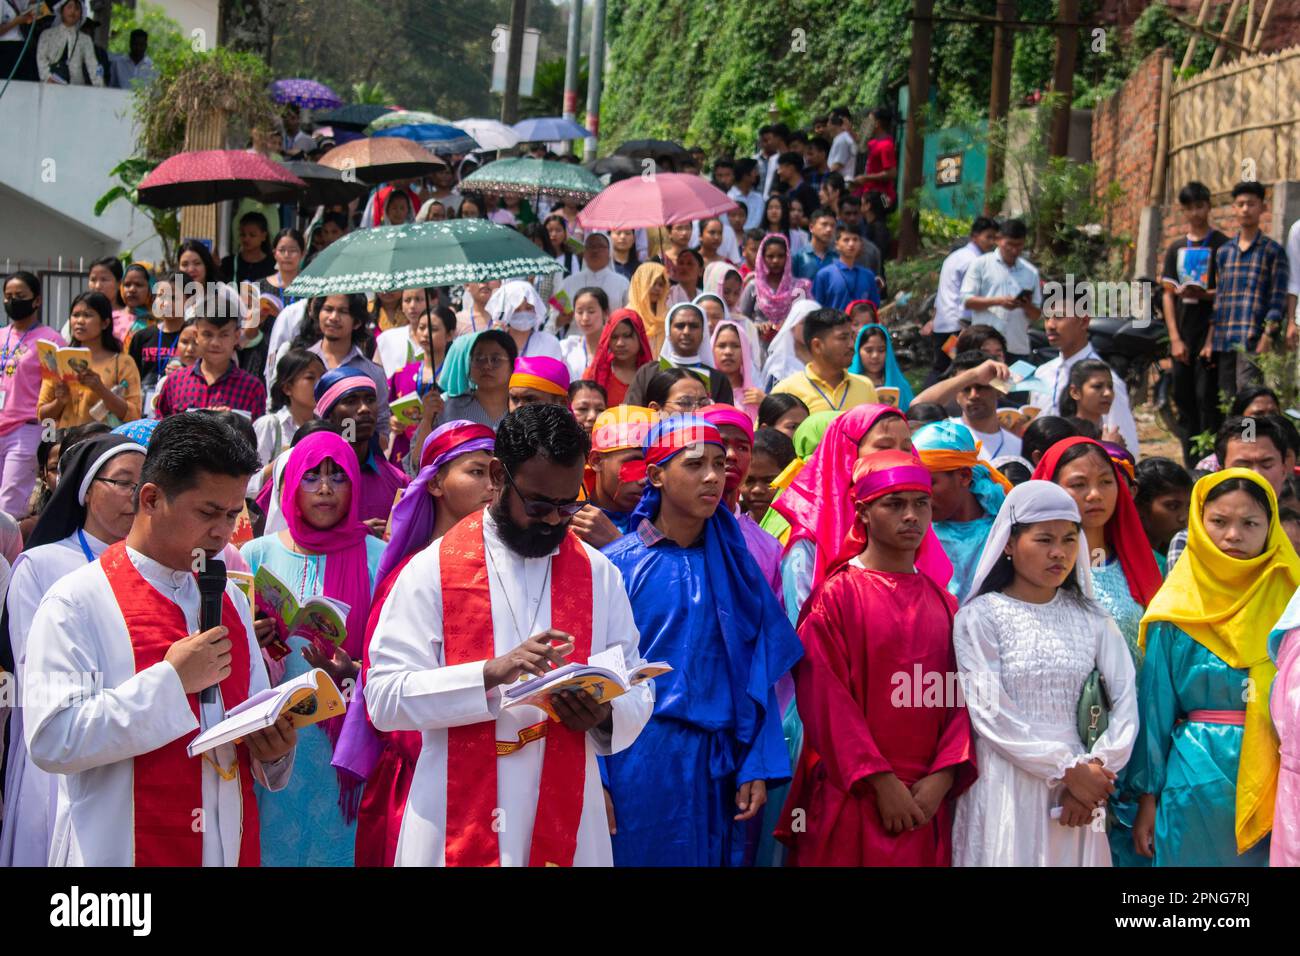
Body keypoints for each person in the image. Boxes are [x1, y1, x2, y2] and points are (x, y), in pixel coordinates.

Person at [365, 404, 652, 866]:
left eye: (568, 504)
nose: (556, 521)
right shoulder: (432, 570)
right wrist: (487, 674)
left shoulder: (598, 574)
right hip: (452, 816)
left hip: (568, 813)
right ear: (499, 476)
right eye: (539, 504)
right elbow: (382, 698)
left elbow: (637, 684)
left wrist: (602, 714)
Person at [22, 415, 298, 865]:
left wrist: (273, 751)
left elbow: (247, 719)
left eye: (232, 515)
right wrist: (171, 681)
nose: (223, 532)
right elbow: (53, 739)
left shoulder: (227, 594)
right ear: (150, 498)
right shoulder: (77, 601)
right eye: (208, 512)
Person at [601, 415, 803, 865]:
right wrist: (598, 777)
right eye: (694, 465)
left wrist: (754, 761)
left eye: (719, 463)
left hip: (720, 763)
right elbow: (594, 680)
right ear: (656, 475)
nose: (714, 476)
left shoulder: (739, 568)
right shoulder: (615, 567)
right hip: (639, 760)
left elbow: (758, 671)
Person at [776, 449, 976, 865]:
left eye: (921, 503)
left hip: (924, 803)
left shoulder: (945, 604)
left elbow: (961, 701)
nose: (911, 516)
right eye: (894, 504)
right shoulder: (835, 597)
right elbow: (827, 703)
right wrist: (882, 783)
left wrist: (942, 777)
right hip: (855, 795)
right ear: (863, 513)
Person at [333, 422, 496, 867]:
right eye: (477, 472)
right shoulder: (411, 574)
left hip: (489, 765)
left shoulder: (501, 570)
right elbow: (388, 694)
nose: (490, 486)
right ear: (437, 482)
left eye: (497, 474)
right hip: (422, 768)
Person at [951, 479, 1138, 866]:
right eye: (1044, 540)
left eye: (1070, 540)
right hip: (1008, 780)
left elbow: (1125, 700)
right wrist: (1065, 769)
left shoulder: (1095, 619)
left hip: (1082, 789)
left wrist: (1096, 772)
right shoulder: (979, 617)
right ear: (1008, 542)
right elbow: (990, 713)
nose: (1059, 553)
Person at [1131, 469, 1300, 866]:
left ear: (1271, 526)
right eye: (1219, 522)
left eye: (1250, 523)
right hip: (1193, 775)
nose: (1233, 535)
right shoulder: (1174, 608)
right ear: (1198, 523)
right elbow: (1154, 709)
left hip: (1281, 776)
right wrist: (1146, 798)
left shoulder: (1292, 599)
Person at [239, 432, 385, 866]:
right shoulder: (254, 554)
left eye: (338, 476)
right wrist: (257, 638)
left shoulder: (378, 556)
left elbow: (391, 656)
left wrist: (352, 668)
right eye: (311, 477)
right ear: (291, 487)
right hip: (274, 733)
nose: (324, 488)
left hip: (346, 738)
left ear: (355, 486)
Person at [0, 433, 147, 866]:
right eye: (122, 482)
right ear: (85, 489)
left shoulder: (157, 568)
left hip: (131, 739)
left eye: (145, 484)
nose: (134, 496)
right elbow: (36, 670)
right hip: (60, 743)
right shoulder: (41, 565)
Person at [1032, 435, 1165, 865]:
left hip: (1138, 736)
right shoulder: (1035, 574)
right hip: (1060, 749)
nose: (1094, 495)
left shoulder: (1150, 568)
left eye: (1106, 482)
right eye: (1078, 483)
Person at [771, 404, 945, 621]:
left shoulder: (914, 520)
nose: (899, 458)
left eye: (906, 448)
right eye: (884, 447)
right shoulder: (809, 544)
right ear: (849, 452)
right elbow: (806, 630)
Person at [1166, 414, 1295, 568]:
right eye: (1243, 466)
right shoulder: (1190, 543)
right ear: (1221, 472)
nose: (1256, 475)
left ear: (1284, 469)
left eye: (1266, 464)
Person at [1163, 182, 1229, 463]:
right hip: (1183, 333)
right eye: (1189, 208)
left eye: (1200, 206)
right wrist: (1174, 338)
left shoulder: (1222, 245)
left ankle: (1211, 459)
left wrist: (1206, 295)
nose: (1195, 213)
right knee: (1184, 398)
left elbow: (1228, 294)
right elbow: (1167, 294)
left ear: (1209, 206)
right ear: (1183, 211)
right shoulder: (1176, 247)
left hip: (1210, 333)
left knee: (1208, 399)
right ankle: (1190, 462)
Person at [913, 420, 1012, 604]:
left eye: (930, 482)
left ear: (964, 476)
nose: (920, 495)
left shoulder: (1005, 532)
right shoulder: (914, 533)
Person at [1208, 180, 1289, 400]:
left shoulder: (1272, 251)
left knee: (1250, 397)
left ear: (1263, 207)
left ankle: (1250, 435)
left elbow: (1278, 299)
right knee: (1226, 400)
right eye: (1241, 204)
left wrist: (1268, 335)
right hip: (1225, 339)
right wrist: (1210, 339)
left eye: (1251, 204)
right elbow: (1220, 299)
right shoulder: (1224, 252)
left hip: (1253, 339)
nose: (1246, 209)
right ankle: (1234, 436)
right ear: (1233, 208)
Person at [1032, 297, 1140, 452]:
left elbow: (1125, 446)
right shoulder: (1042, 373)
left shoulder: (1107, 381)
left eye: (1059, 317)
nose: (1050, 325)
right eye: (1047, 318)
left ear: (1083, 321)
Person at [1, 272, 66, 517]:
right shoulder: (1, 334)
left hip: (27, 428)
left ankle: (7, 552)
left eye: (20, 296)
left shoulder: (50, 340)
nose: (12, 301)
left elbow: (59, 389)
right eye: (8, 296)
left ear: (37, 300)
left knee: (11, 501)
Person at [701, 403, 783, 596]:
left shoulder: (768, 548)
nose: (731, 455)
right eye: (721, 443)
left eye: (742, 447)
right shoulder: (673, 533)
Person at [289, 294, 390, 439]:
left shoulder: (371, 372)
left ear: (357, 322)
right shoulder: (301, 365)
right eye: (328, 309)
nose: (333, 317)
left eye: (343, 311)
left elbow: (381, 429)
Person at [37, 292, 142, 429]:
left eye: (87, 315)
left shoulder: (123, 362)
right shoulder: (59, 361)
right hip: (67, 444)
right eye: (75, 315)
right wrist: (59, 402)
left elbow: (134, 415)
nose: (79, 321)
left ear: (105, 323)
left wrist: (101, 389)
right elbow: (42, 416)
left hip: (105, 444)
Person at [156, 306, 268, 419]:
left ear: (236, 336)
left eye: (224, 335)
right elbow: (159, 430)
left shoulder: (251, 388)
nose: (215, 343)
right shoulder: (175, 382)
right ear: (196, 336)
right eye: (208, 334)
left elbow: (258, 434)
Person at [926, 218, 1002, 385]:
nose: (992, 242)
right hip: (958, 326)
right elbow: (970, 297)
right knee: (957, 366)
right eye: (988, 237)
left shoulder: (956, 256)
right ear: (975, 236)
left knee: (943, 365)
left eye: (994, 238)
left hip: (944, 323)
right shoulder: (974, 262)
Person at [570, 406, 655, 548]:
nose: (645, 479)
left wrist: (616, 543)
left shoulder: (665, 519)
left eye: (654, 467)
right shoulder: (564, 513)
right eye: (634, 464)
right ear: (596, 461)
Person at [959, 218, 1041, 360]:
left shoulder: (1031, 272)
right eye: (1009, 244)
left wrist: (1026, 306)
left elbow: (1036, 315)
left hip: (1017, 345)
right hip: (985, 346)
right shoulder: (981, 264)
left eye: (1019, 245)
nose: (1014, 250)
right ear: (998, 239)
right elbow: (967, 301)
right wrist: (998, 301)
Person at [624, 302, 734, 406]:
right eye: (680, 326)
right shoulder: (648, 372)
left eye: (693, 326)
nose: (686, 331)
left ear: (703, 333)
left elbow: (725, 421)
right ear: (668, 332)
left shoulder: (718, 379)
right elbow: (631, 415)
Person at [772, 307, 878, 415]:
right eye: (843, 338)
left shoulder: (865, 387)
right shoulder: (787, 391)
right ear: (817, 345)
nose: (851, 344)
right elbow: (766, 431)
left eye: (852, 337)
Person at [388, 301, 451, 466]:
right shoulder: (402, 373)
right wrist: (393, 421)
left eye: (433, 329)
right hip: (404, 451)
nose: (425, 333)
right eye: (421, 327)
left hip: (443, 449)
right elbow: (386, 409)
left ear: (450, 334)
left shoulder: (455, 375)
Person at [253, 348, 324, 474]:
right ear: (287, 388)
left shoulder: (325, 428)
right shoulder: (269, 425)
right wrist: (286, 459)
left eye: (322, 377)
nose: (319, 384)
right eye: (310, 377)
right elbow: (250, 483)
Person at [945, 350, 1022, 460]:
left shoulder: (1017, 445)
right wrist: (974, 375)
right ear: (956, 394)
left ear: (999, 390)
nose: (973, 395)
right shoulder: (945, 432)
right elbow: (916, 405)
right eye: (965, 389)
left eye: (981, 387)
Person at [435, 330, 516, 431]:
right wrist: (427, 420)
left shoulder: (523, 407)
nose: (486, 366)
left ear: (512, 365)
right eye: (479, 359)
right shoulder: (449, 409)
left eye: (495, 359)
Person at [737, 234, 810, 335]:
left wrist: (789, 323)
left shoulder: (800, 287)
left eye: (780, 256)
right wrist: (757, 327)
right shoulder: (754, 286)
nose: (775, 261)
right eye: (770, 256)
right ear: (762, 258)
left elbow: (808, 319)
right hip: (760, 346)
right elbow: (741, 319)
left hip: (791, 346)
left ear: (787, 257)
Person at [583, 307, 652, 409]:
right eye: (614, 337)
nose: (620, 343)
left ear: (640, 337)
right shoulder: (594, 374)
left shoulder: (652, 375)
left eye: (627, 336)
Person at [1134, 457, 1193, 572]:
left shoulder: (1182, 553)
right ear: (1139, 506)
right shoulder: (1131, 563)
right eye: (1172, 506)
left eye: (1188, 507)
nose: (1184, 517)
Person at [556, 233, 630, 319]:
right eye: (590, 246)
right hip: (575, 332)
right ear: (584, 252)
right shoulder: (567, 283)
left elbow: (628, 317)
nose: (595, 250)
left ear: (609, 252)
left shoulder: (623, 283)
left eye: (600, 246)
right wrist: (561, 320)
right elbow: (553, 318)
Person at [488, 280, 563, 363]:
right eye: (516, 309)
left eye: (529, 308)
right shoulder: (494, 344)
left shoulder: (549, 343)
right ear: (506, 312)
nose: (523, 313)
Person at [812, 225, 880, 313]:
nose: (851, 244)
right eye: (846, 240)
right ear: (837, 245)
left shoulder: (868, 275)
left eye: (855, 240)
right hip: (833, 325)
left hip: (862, 326)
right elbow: (816, 309)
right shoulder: (824, 275)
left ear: (861, 244)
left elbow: (874, 307)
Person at [36, 0, 102, 85]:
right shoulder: (47, 35)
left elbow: (93, 66)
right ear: (61, 10)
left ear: (81, 14)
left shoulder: (85, 39)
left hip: (76, 89)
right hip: (49, 87)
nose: (73, 11)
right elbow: (41, 59)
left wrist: (100, 88)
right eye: (69, 7)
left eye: (77, 8)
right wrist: (48, 78)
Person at [710, 316, 764, 421]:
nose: (728, 352)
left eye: (735, 346)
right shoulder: (705, 392)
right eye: (721, 346)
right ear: (712, 348)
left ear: (744, 350)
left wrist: (766, 403)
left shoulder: (755, 395)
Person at [850, 322, 913, 409]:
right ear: (858, 352)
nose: (875, 356)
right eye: (868, 350)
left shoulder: (900, 385)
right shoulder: (848, 384)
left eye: (881, 350)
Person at [741, 426, 794, 524]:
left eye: (769, 481)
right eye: (749, 480)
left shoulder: (800, 533)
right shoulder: (729, 528)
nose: (757, 490)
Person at [560, 287, 608, 381]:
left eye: (591, 311)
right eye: (580, 312)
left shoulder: (615, 347)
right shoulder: (567, 348)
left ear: (605, 313)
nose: (585, 318)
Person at [625, 263, 671, 356]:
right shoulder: (628, 315)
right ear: (640, 284)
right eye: (653, 283)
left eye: (661, 285)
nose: (657, 289)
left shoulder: (668, 314)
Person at [221, 212, 276, 286]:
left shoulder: (273, 265)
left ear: (264, 236)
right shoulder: (228, 263)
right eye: (243, 234)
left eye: (252, 235)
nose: (246, 239)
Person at [728, 158, 764, 230]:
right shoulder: (729, 198)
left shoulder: (759, 198)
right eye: (754, 171)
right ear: (745, 174)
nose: (756, 174)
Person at [826, 107, 858, 182]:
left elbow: (836, 166)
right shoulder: (840, 138)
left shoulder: (842, 139)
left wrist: (825, 181)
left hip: (841, 184)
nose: (827, 124)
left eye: (830, 121)